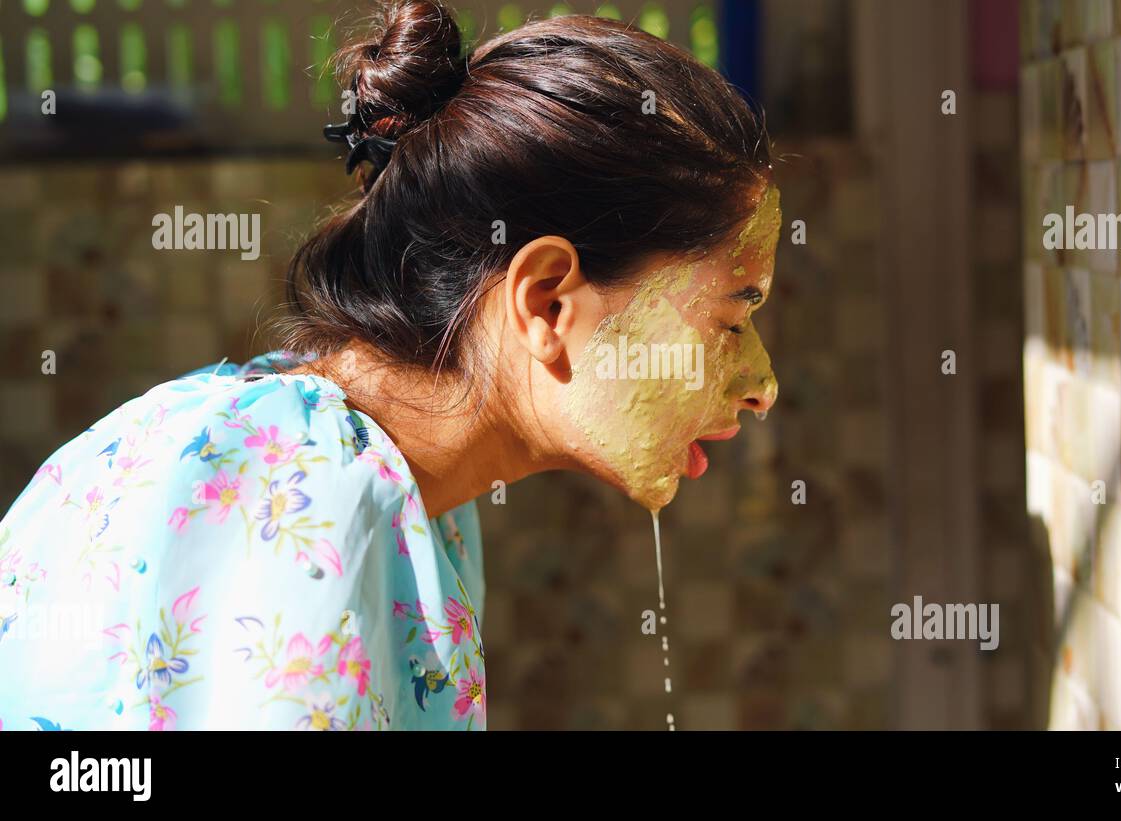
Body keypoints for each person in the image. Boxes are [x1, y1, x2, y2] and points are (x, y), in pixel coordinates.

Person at [0, 0, 779, 730]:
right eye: (733, 317)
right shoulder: (291, 500)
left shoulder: (385, 483)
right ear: (546, 301)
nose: (763, 388)